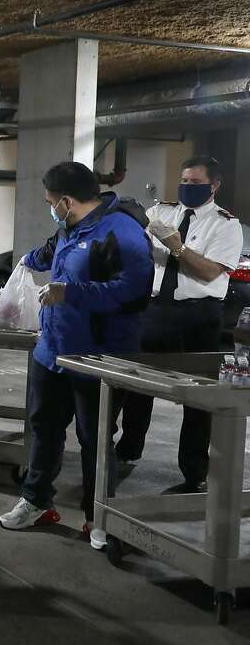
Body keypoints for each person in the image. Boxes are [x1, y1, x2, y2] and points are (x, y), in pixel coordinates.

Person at [0, 161, 153, 551]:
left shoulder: (122, 232)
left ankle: (98, 516)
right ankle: (35, 501)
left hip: (96, 356)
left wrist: (72, 292)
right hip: (52, 350)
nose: (51, 208)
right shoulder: (70, 225)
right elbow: (51, 253)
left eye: (52, 202)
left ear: (67, 201)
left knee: (95, 438)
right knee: (45, 427)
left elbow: (133, 293)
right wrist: (24, 265)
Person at [116, 157, 242, 493]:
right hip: (155, 310)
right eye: (184, 180)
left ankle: (194, 471)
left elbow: (209, 272)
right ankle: (128, 450)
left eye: (195, 181)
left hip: (198, 317)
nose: (187, 186)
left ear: (213, 185)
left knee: (197, 397)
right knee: (137, 386)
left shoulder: (225, 225)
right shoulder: (165, 212)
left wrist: (176, 246)